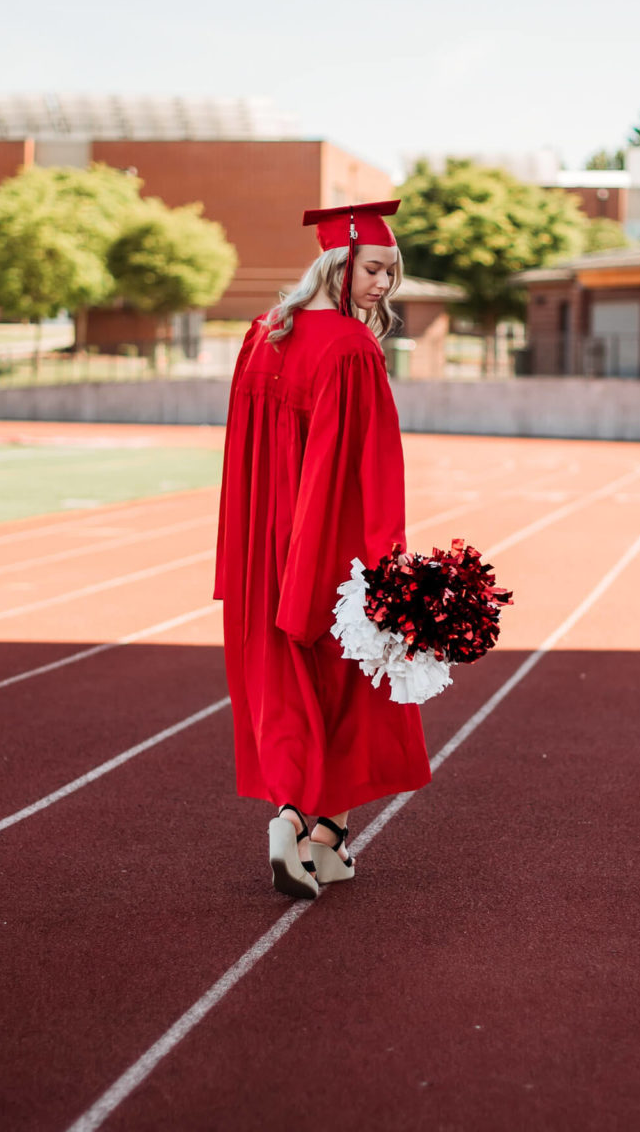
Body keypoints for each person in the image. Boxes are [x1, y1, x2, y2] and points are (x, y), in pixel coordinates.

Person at [214, 200, 431, 899]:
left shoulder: (262, 333)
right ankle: (318, 832)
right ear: (338, 267)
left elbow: (240, 455)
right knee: (353, 691)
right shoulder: (351, 347)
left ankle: (304, 830)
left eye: (391, 274)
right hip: (330, 543)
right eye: (374, 270)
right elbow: (372, 466)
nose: (383, 285)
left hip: (262, 546)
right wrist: (387, 562)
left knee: (284, 688)